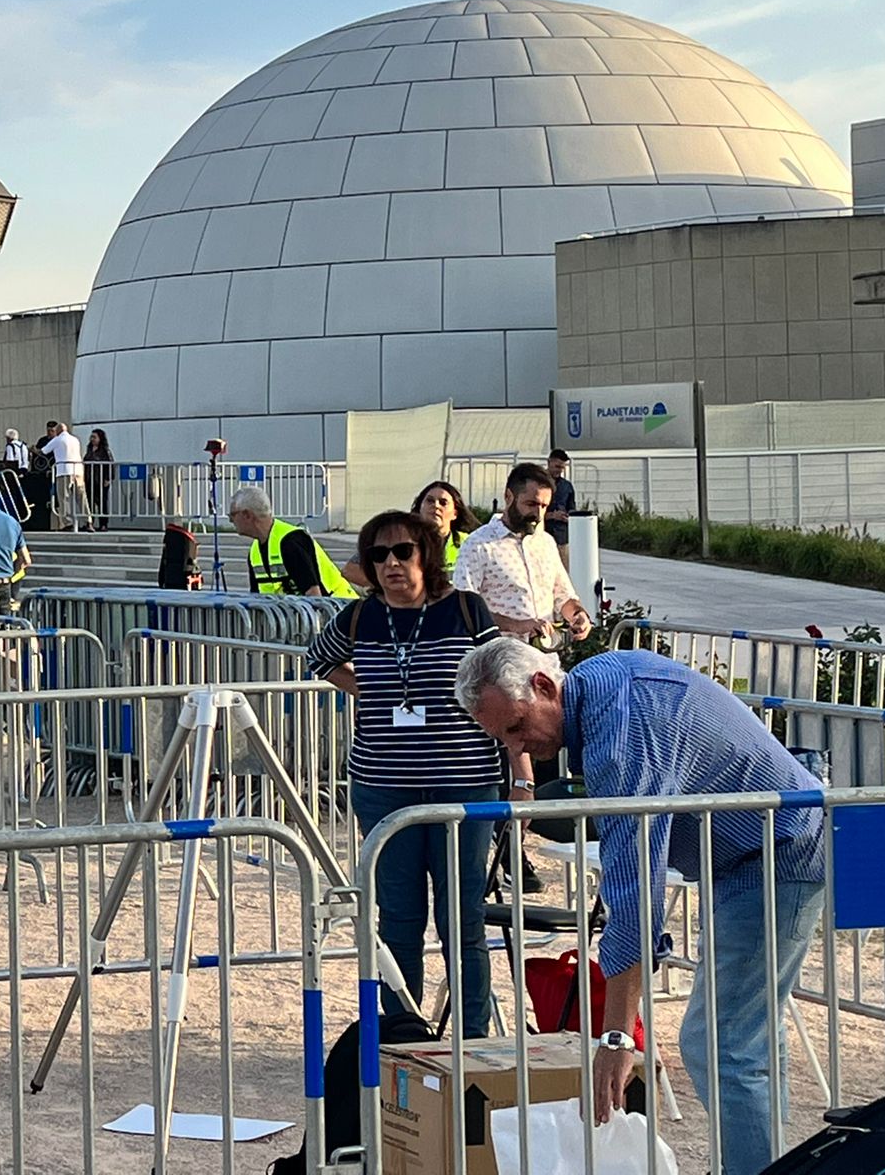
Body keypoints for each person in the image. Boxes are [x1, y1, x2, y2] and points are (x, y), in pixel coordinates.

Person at [457, 640, 829, 1175]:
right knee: (744, 1044)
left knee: (719, 1044)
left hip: (778, 850)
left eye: (517, 728)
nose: (520, 747)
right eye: (503, 739)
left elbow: (635, 889)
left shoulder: (620, 730)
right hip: (758, 852)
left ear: (543, 688)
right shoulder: (601, 687)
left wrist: (614, 1035)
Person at [305, 511, 512, 1037]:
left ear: (426, 554)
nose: (392, 564)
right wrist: (368, 692)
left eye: (403, 552)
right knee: (398, 918)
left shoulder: (467, 609)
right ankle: (403, 1035)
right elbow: (318, 660)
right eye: (378, 555)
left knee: (462, 919)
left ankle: (473, 1040)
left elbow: (501, 681)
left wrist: (523, 772)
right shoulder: (359, 618)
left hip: (464, 781)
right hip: (383, 785)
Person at [452, 463, 591, 645]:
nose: (538, 514)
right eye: (531, 504)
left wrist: (578, 615)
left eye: (544, 506)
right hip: (500, 661)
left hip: (545, 660)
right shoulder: (478, 544)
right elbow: (464, 610)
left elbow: (563, 596)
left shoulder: (546, 542)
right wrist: (518, 625)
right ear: (508, 496)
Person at [228, 483, 355, 597]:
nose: (230, 520)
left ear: (247, 515)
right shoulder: (255, 552)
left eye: (232, 515)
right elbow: (257, 597)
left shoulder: (291, 541)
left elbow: (314, 594)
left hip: (339, 612)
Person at [343, 480, 477, 588]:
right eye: (430, 501)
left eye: (443, 503)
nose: (436, 506)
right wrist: (390, 587)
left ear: (455, 513)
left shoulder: (470, 543)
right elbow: (351, 570)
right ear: (419, 507)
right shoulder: (399, 537)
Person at [45, 421, 87, 532]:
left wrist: (33, 449)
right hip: (78, 470)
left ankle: (68, 522)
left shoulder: (58, 439)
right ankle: (88, 521)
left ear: (58, 431)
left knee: (64, 497)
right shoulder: (75, 439)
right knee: (81, 497)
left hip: (64, 471)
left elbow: (44, 451)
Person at [544, 447, 577, 560]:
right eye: (557, 467)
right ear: (549, 462)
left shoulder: (566, 486)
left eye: (562, 468)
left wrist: (567, 517)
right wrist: (552, 515)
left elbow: (572, 509)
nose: (559, 471)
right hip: (542, 536)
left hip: (561, 538)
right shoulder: (537, 484)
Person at [83, 429, 115, 532]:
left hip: (100, 480)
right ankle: (90, 523)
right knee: (90, 503)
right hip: (89, 480)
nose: (92, 439)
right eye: (91, 437)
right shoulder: (89, 449)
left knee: (102, 503)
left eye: (94, 437)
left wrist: (108, 478)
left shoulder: (105, 451)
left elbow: (110, 465)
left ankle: (103, 524)